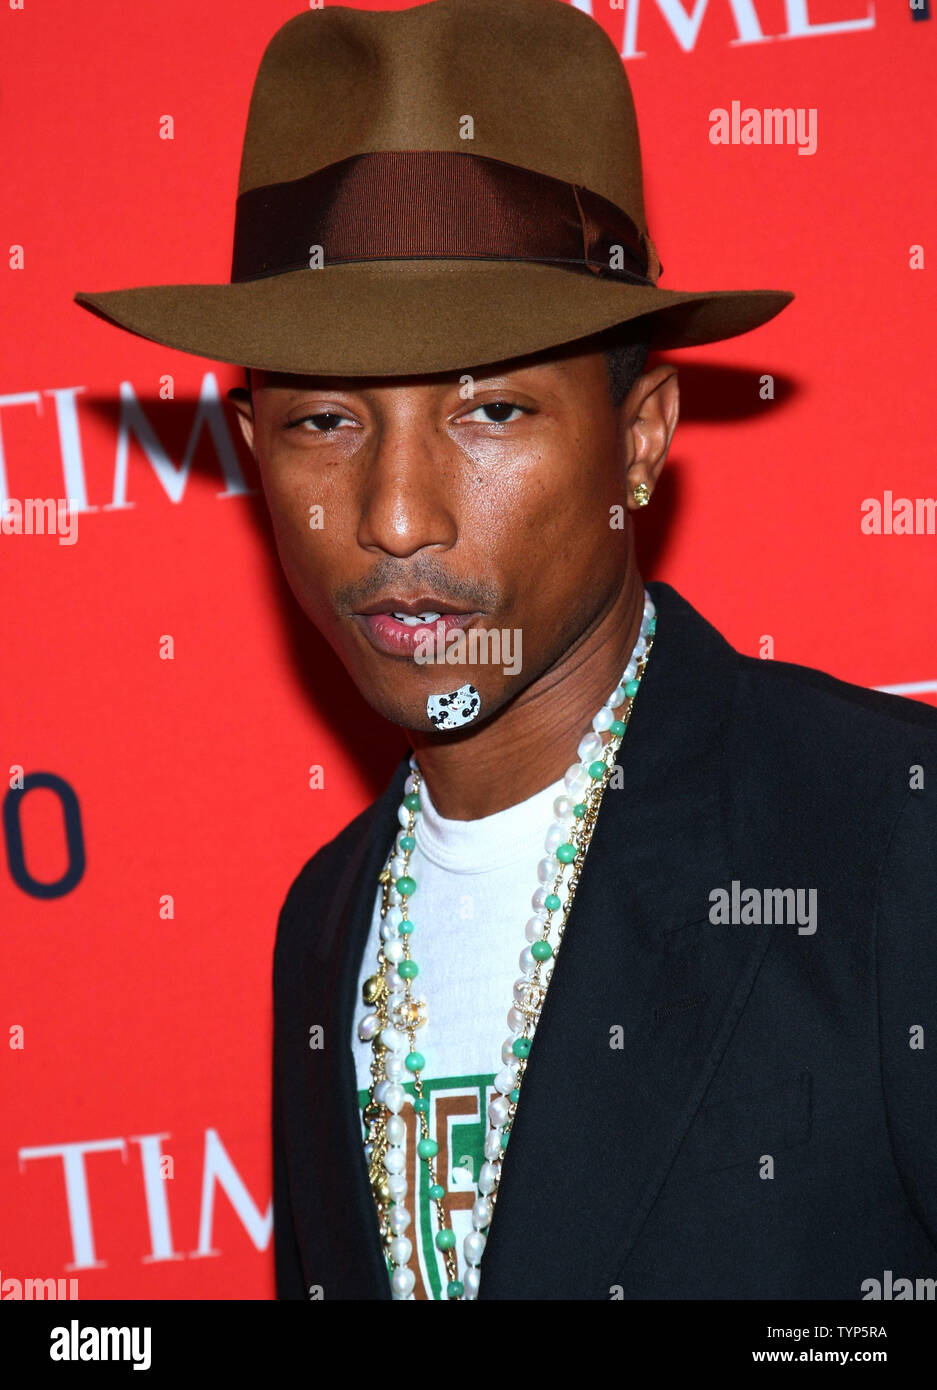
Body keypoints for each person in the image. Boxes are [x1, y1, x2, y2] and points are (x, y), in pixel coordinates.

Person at [74, 0, 937, 1301]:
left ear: (638, 437)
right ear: (252, 455)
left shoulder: (885, 837)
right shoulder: (328, 920)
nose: (396, 514)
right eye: (322, 420)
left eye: (489, 407)